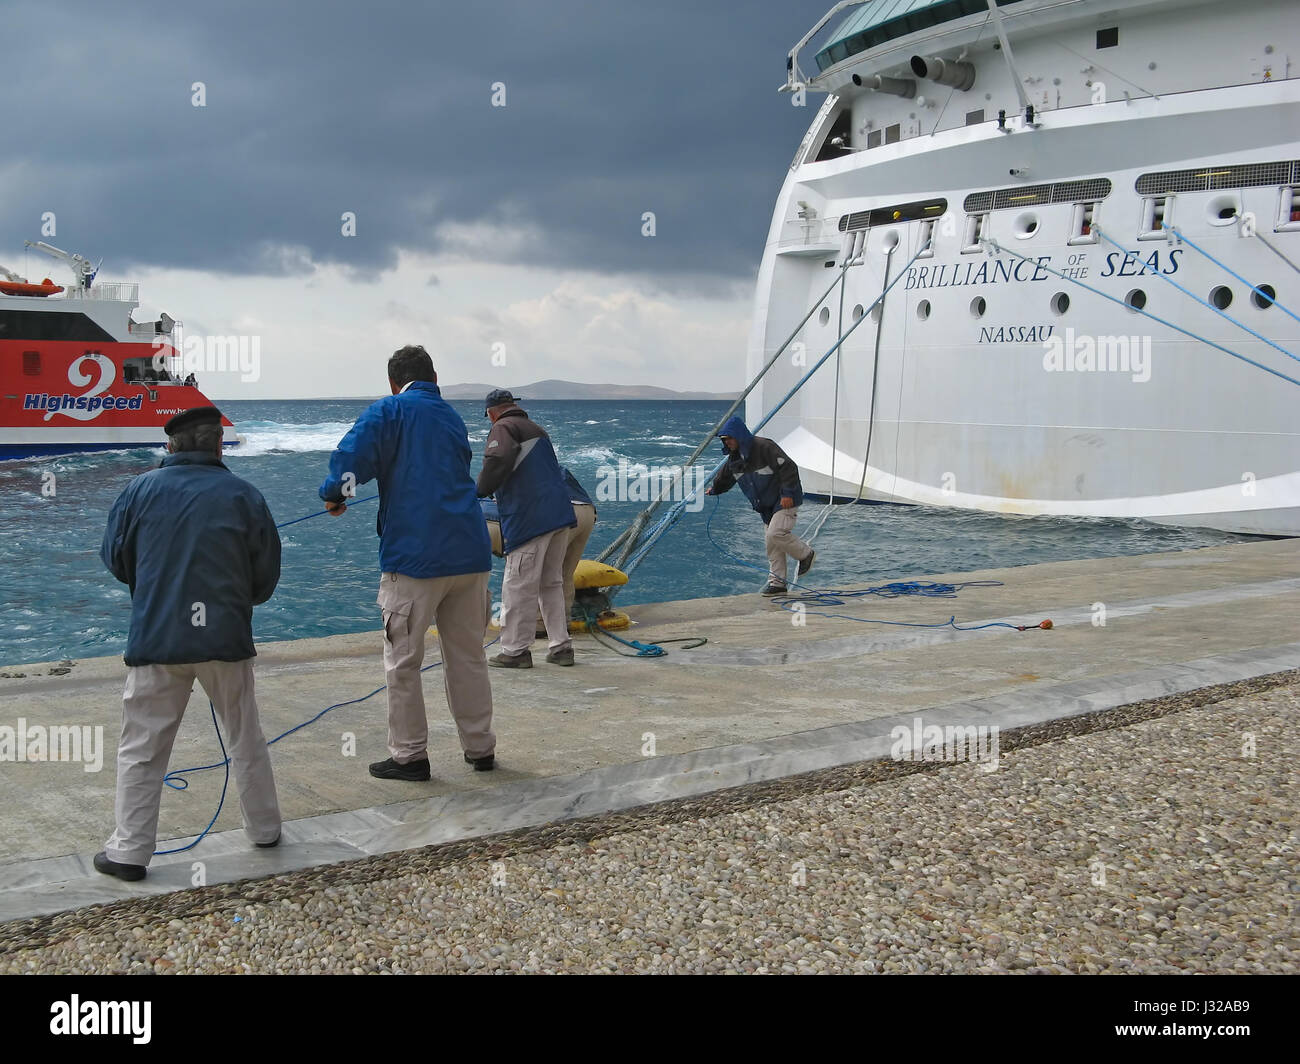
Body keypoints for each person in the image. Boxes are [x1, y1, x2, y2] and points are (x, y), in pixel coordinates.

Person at [96, 406, 282, 881]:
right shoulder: (245, 494)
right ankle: (264, 829)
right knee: (246, 735)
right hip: (225, 638)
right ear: (219, 446)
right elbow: (264, 578)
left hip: (157, 638)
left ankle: (130, 852)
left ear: (170, 447)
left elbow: (116, 559)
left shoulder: (138, 490)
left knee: (142, 745)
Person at [320, 345, 496, 781]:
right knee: (468, 656)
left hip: (416, 555)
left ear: (393, 382)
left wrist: (335, 494)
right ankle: (480, 748)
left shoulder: (390, 409)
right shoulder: (452, 417)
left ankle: (410, 756)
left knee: (403, 660)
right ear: (434, 376)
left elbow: (351, 461)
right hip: (470, 551)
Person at [475, 390, 576, 667]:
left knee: (518, 584)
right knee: (551, 583)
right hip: (559, 516)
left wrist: (479, 490)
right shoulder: (537, 429)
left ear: (491, 412)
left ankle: (515, 651)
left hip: (530, 519)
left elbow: (497, 461)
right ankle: (561, 646)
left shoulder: (503, 427)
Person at [704, 415, 814, 595]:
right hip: (766, 506)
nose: (727, 442)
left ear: (738, 435)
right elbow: (725, 478)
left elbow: (788, 467)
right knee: (772, 545)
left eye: (729, 438)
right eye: (724, 440)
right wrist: (715, 489)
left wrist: (787, 492)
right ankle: (778, 584)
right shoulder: (734, 459)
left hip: (784, 500)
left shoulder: (765, 447)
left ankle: (806, 554)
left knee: (776, 533)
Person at [536, 466, 597, 637]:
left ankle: (540, 624)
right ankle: (563, 622)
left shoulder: (519, 468)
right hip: (587, 510)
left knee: (542, 571)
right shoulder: (552, 466)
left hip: (563, 509)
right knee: (565, 572)